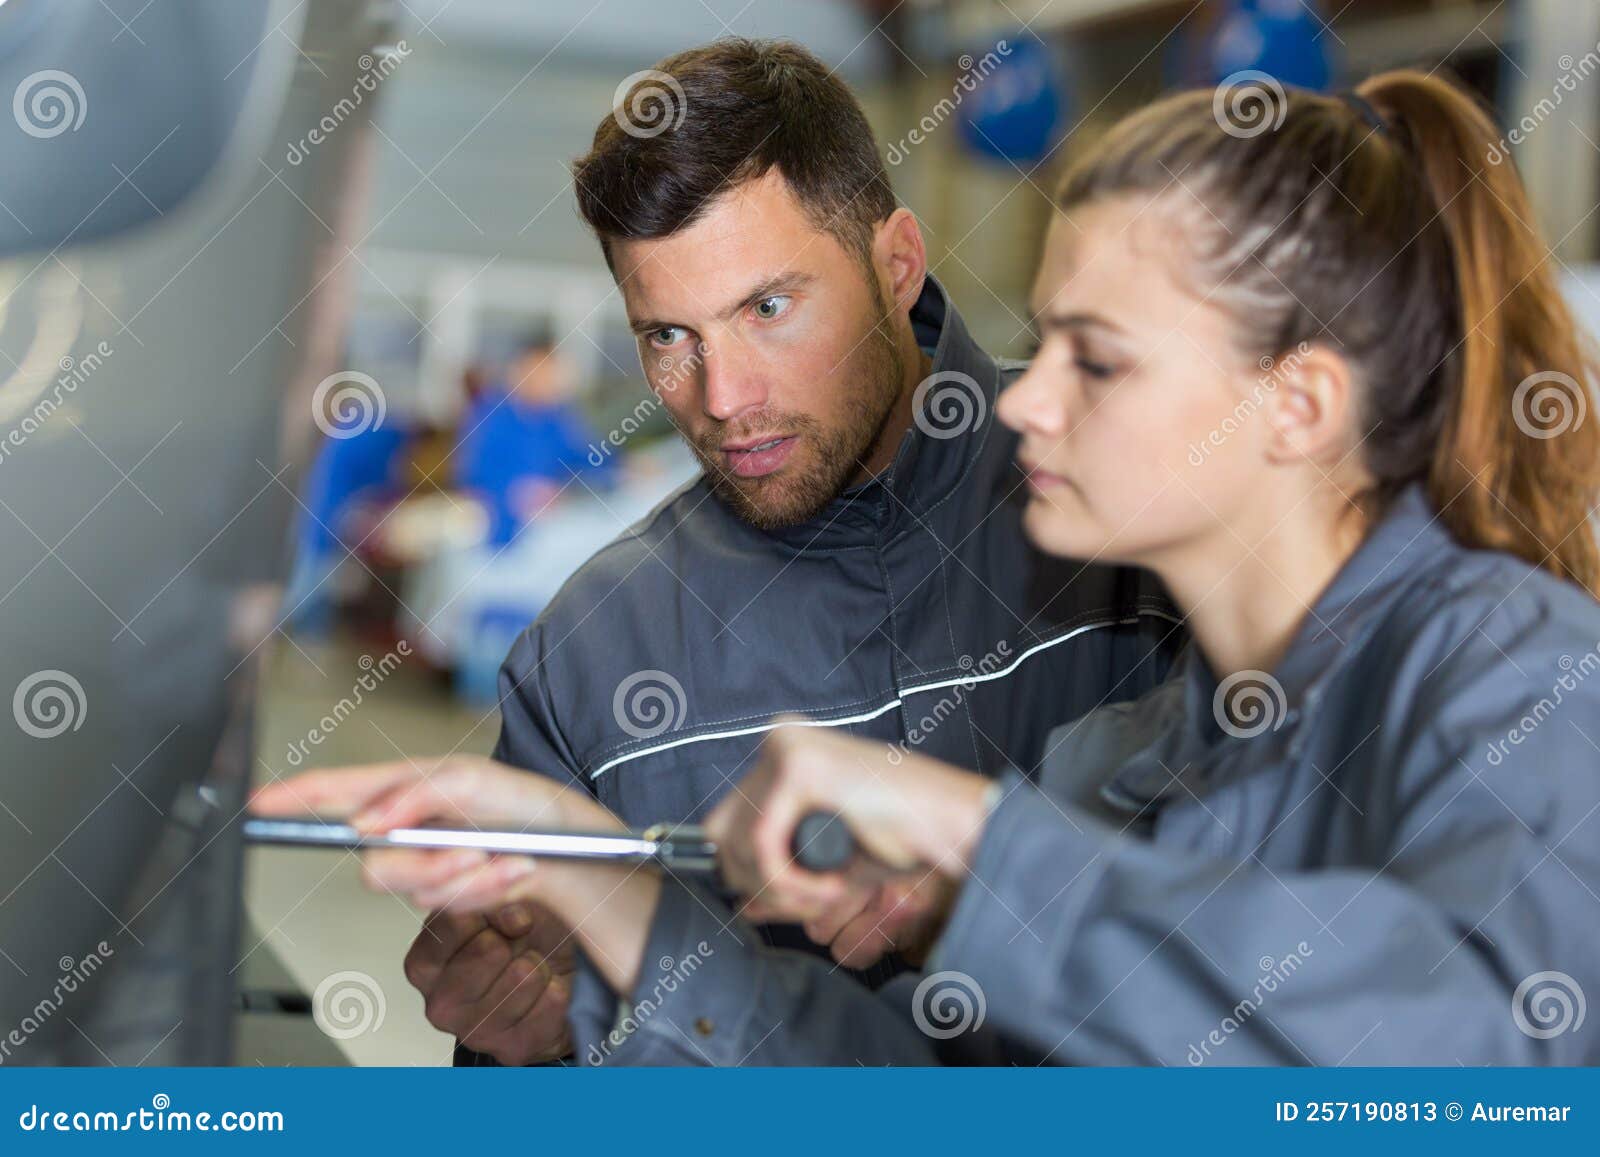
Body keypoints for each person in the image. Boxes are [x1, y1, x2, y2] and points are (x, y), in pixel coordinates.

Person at [257, 67, 1600, 1065]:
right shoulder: (1151, 761)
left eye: (1098, 358)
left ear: (1298, 404)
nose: (1021, 402)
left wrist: (973, 843)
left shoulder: (1519, 671)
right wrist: (604, 888)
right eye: (664, 335)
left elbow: (1501, 1053)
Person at [375, 39, 1180, 1066]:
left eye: (768, 308)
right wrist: (527, 1039)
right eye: (668, 334)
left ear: (896, 265)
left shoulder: (1137, 493)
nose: (722, 398)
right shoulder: (591, 656)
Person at [454, 333, 615, 548]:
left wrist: (624, 467)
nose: (545, 381)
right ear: (519, 371)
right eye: (538, 372)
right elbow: (470, 473)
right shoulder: (490, 414)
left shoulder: (558, 417)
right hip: (499, 534)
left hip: (551, 528)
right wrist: (519, 492)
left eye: (549, 374)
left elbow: (588, 457)